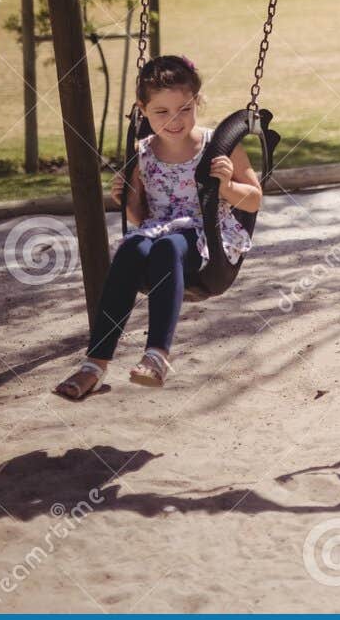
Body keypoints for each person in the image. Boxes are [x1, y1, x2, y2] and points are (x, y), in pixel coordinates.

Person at [53, 55, 261, 399]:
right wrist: (127, 201)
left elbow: (254, 201)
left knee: (168, 247)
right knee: (131, 248)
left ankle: (157, 355)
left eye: (184, 109)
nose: (174, 120)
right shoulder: (143, 152)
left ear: (197, 102)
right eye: (161, 112)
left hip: (206, 239)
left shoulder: (218, 147)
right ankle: (95, 364)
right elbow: (141, 217)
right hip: (161, 230)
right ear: (143, 111)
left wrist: (225, 187)